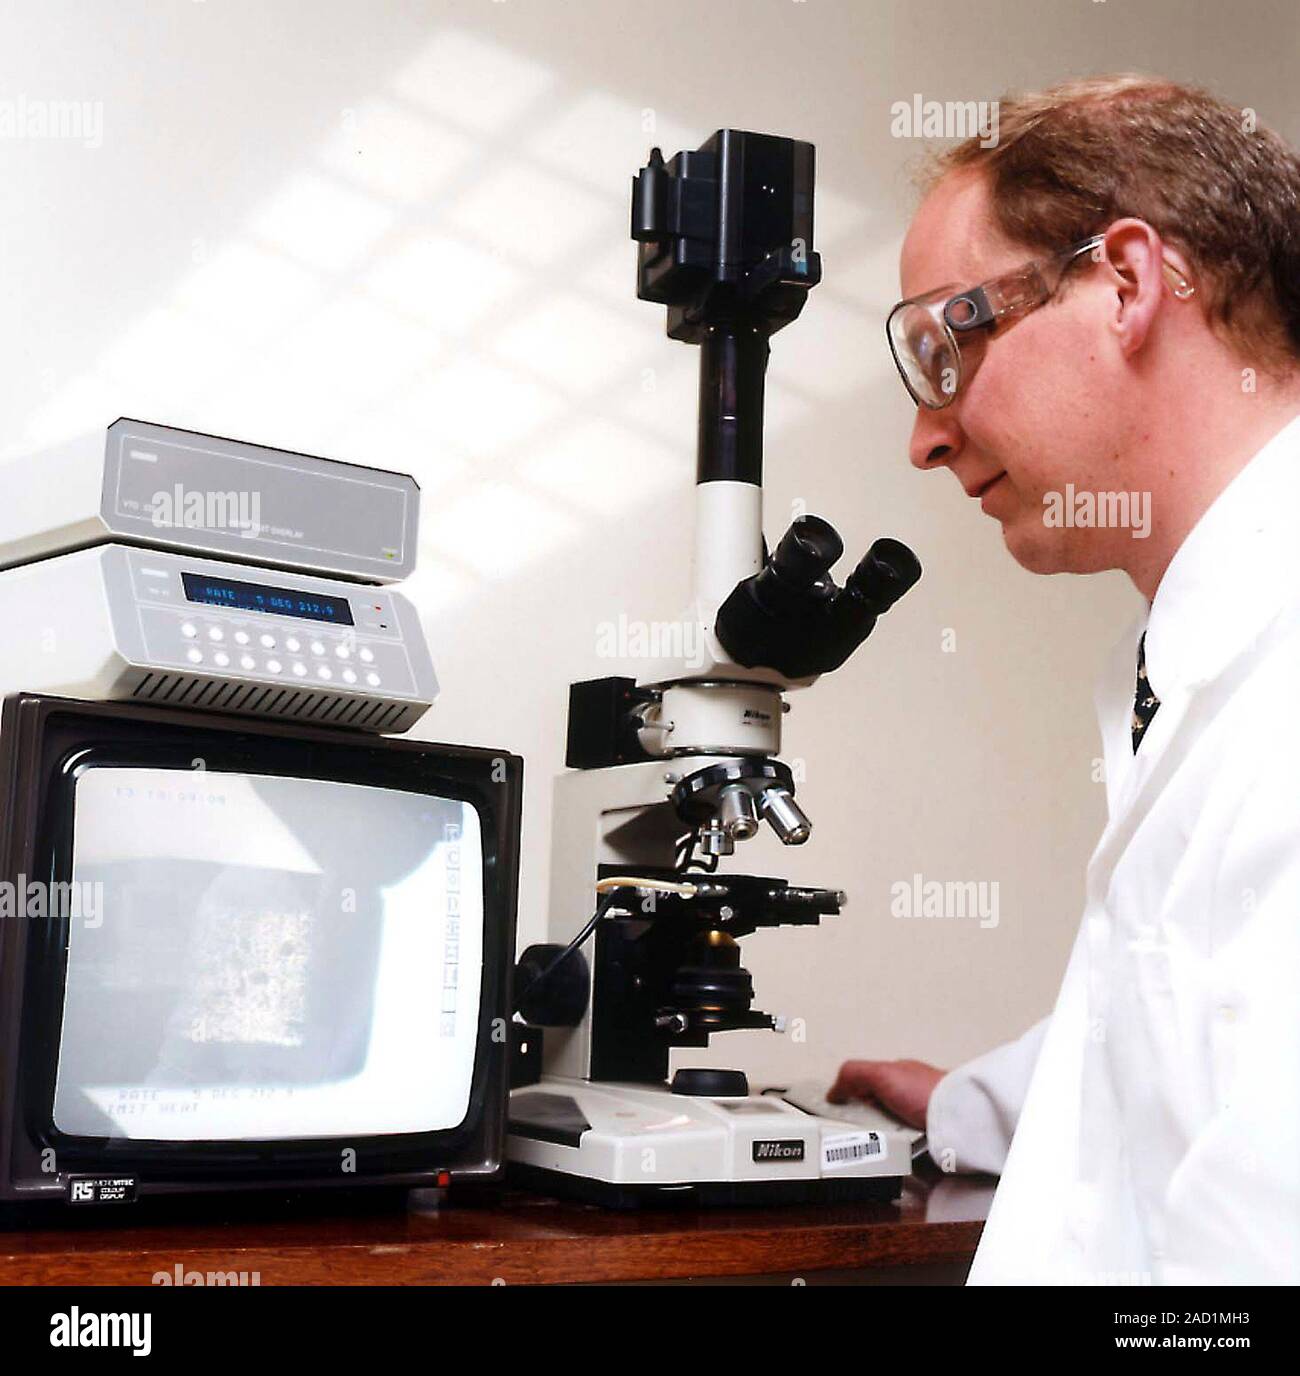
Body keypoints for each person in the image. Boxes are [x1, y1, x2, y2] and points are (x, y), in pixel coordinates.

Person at [832, 74, 1300, 1284]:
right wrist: (969, 1101)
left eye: (945, 343)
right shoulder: (1192, 654)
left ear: (1128, 285)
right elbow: (1193, 1012)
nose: (925, 436)